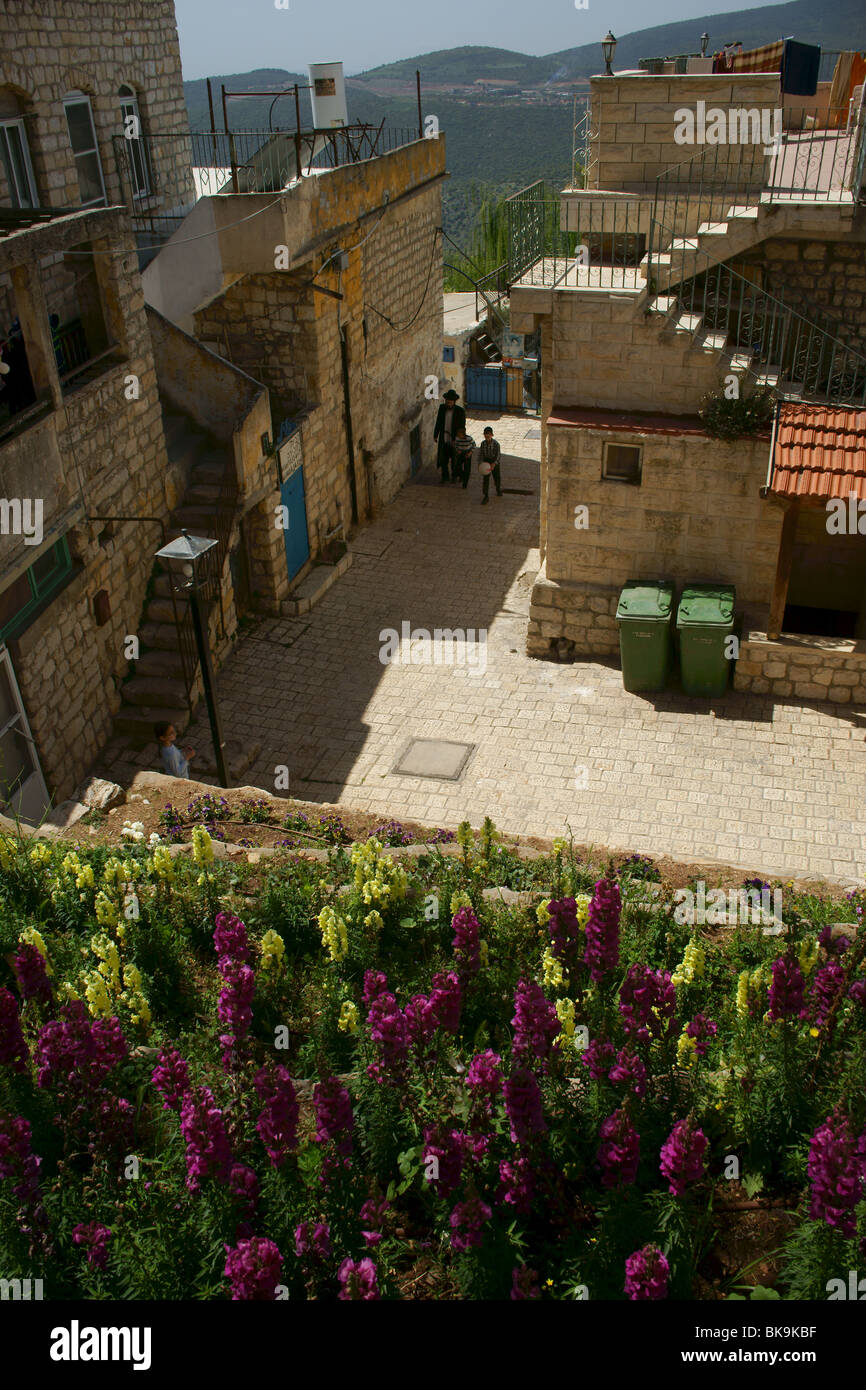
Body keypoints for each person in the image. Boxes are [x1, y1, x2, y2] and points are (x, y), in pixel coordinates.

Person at [433, 388, 465, 483]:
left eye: (450, 402)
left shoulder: (460, 411)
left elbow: (462, 427)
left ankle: (455, 475)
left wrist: (458, 438)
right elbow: (438, 422)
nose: (448, 403)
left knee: (455, 459)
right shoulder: (442, 408)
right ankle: (445, 476)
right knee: (443, 458)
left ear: (454, 402)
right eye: (447, 401)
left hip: (454, 438)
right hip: (444, 437)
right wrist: (436, 434)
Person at [478, 426, 503, 504]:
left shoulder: (496, 444)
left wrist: (494, 464)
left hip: (494, 461)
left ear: (492, 435)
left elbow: (498, 455)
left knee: (497, 477)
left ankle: (498, 489)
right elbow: (481, 454)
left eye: (488, 435)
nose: (487, 436)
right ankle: (486, 495)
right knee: (486, 479)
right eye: (485, 435)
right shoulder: (483, 443)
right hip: (486, 461)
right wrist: (481, 463)